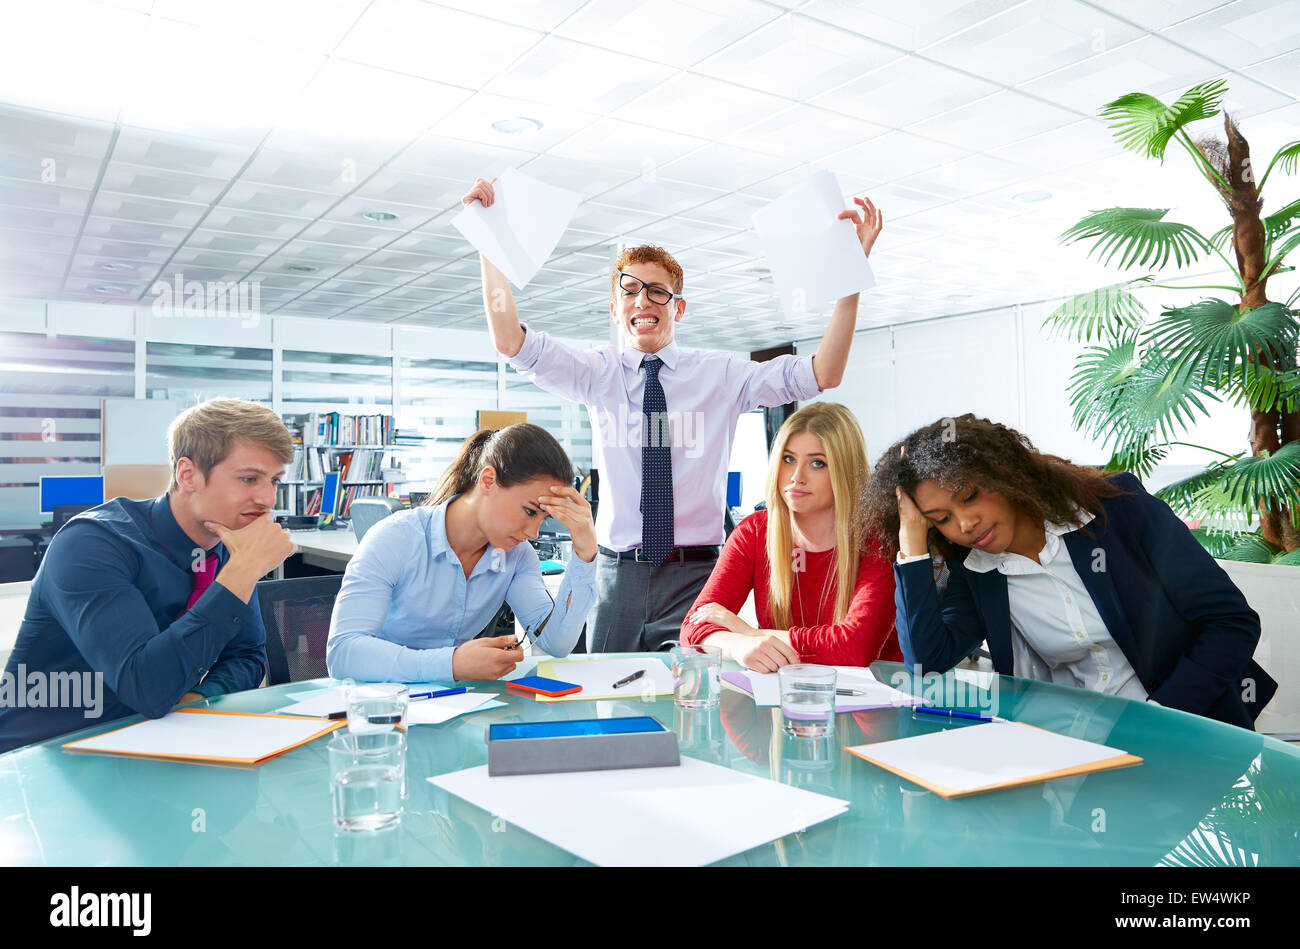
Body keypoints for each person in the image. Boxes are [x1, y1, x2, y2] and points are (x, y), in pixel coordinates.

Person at [461, 176, 884, 653]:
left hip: (697, 576)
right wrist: (490, 245)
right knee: (609, 704)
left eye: (657, 291)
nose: (643, 300)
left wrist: (849, 280)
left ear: (678, 308)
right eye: (630, 290)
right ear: (616, 309)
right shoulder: (596, 373)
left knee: (692, 706)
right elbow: (510, 342)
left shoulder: (721, 375)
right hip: (618, 574)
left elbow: (824, 372)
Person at [863, 414, 1276, 729]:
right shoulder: (976, 569)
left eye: (970, 497)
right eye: (942, 519)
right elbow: (926, 666)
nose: (965, 524)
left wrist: (1158, 720)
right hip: (1073, 750)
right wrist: (912, 544)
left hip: (1187, 734)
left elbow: (1231, 623)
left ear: (1003, 475)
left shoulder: (1119, 511)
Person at [0, 398, 297, 753]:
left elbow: (248, 656)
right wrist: (244, 570)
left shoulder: (225, 544)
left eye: (274, 481)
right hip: (45, 753)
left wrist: (197, 696)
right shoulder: (91, 545)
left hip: (150, 740)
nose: (267, 498)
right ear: (187, 475)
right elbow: (147, 687)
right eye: (249, 478)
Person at [327, 424, 597, 683]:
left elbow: (556, 643)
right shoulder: (394, 539)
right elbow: (343, 653)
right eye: (529, 511)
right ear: (488, 480)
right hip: (382, 706)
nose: (534, 532)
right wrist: (451, 664)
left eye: (543, 518)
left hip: (458, 704)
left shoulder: (517, 556)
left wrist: (585, 553)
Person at [680, 402, 900, 671]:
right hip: (788, 692)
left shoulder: (877, 539)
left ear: (846, 471)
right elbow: (693, 628)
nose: (796, 477)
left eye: (817, 463)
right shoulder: (754, 532)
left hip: (876, 699)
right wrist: (739, 646)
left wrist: (750, 633)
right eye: (788, 459)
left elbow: (855, 646)